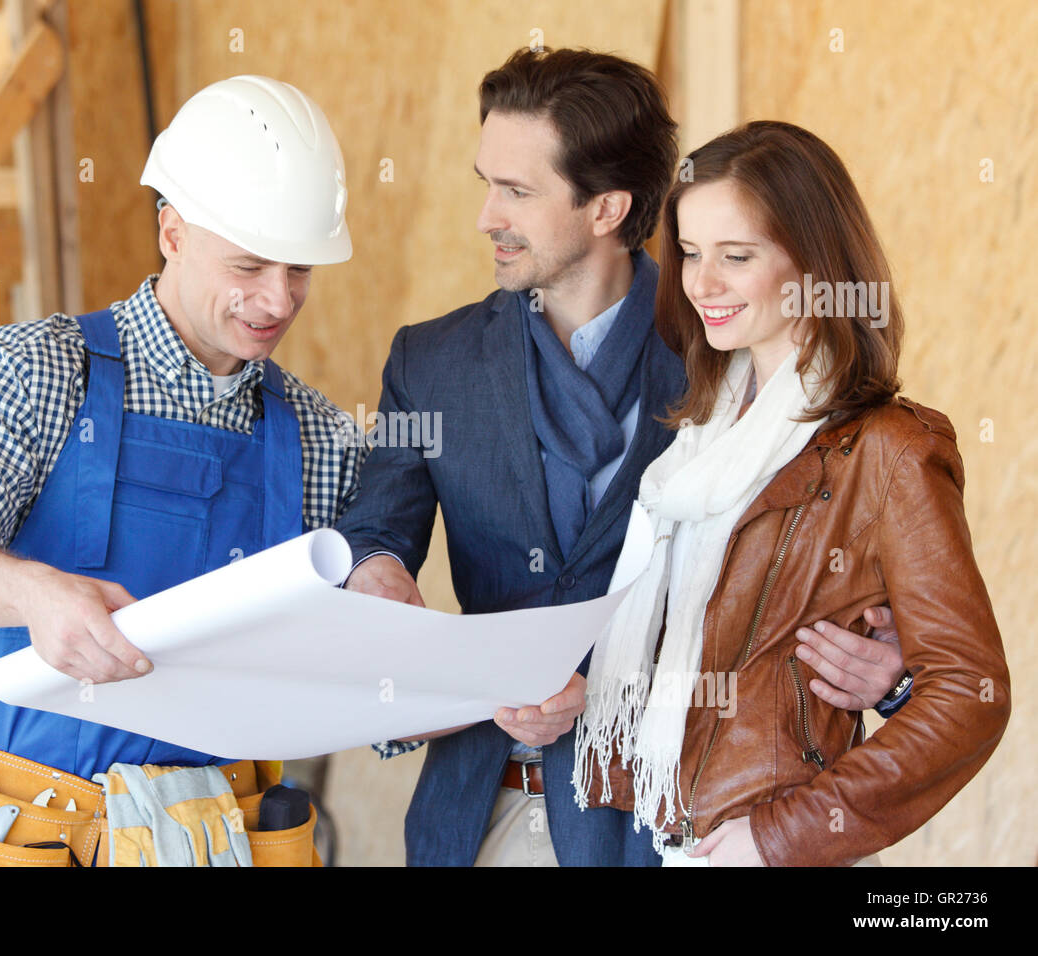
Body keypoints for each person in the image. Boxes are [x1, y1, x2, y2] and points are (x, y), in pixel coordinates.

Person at [338, 48, 911, 867]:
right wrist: (376, 574)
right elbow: (372, 531)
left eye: (516, 192)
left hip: (678, 827)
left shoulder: (735, 358)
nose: (485, 216)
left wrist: (887, 669)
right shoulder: (429, 363)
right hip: (477, 818)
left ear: (607, 207)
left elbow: (849, 587)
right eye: (484, 182)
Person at [0, 75, 359, 866]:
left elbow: (335, 666)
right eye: (250, 267)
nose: (277, 300)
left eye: (300, 271)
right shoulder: (38, 368)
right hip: (28, 833)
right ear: (172, 232)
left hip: (218, 839)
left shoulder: (320, 436)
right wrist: (33, 593)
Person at [572, 120, 1010, 866]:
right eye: (690, 252)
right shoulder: (701, 433)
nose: (701, 284)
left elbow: (970, 695)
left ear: (811, 263)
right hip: (669, 836)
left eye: (736, 257)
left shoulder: (890, 450)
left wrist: (782, 837)